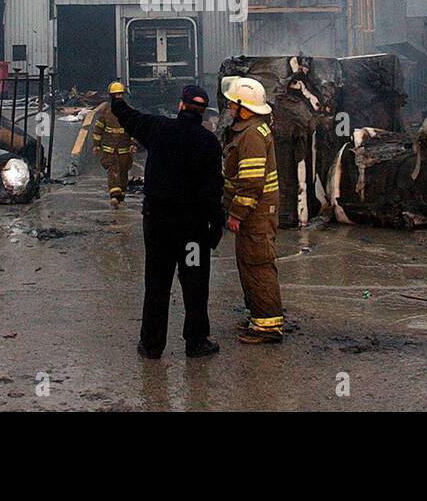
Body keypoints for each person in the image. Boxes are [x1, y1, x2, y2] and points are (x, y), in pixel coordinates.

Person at [110, 83, 224, 359]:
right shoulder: (209, 143)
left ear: (181, 105)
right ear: (203, 112)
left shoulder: (159, 129)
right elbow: (213, 191)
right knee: (195, 285)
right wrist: (215, 227)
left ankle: (151, 345)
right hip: (193, 232)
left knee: (157, 285)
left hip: (159, 227)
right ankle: (196, 342)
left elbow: (129, 118)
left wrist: (116, 100)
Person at [221, 76, 284, 344]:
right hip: (256, 212)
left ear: (243, 107)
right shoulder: (250, 130)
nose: (230, 108)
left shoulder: (251, 136)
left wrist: (236, 213)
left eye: (233, 104)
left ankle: (268, 327)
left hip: (255, 213)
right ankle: (258, 317)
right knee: (249, 262)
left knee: (257, 264)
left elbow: (251, 183)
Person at [93, 81, 136, 208]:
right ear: (111, 96)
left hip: (124, 150)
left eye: (120, 94)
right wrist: (96, 145)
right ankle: (114, 196)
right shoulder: (105, 111)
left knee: (123, 173)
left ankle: (121, 196)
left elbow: (134, 129)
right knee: (113, 172)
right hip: (109, 149)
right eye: (115, 95)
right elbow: (98, 129)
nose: (118, 97)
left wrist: (133, 144)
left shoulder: (129, 111)